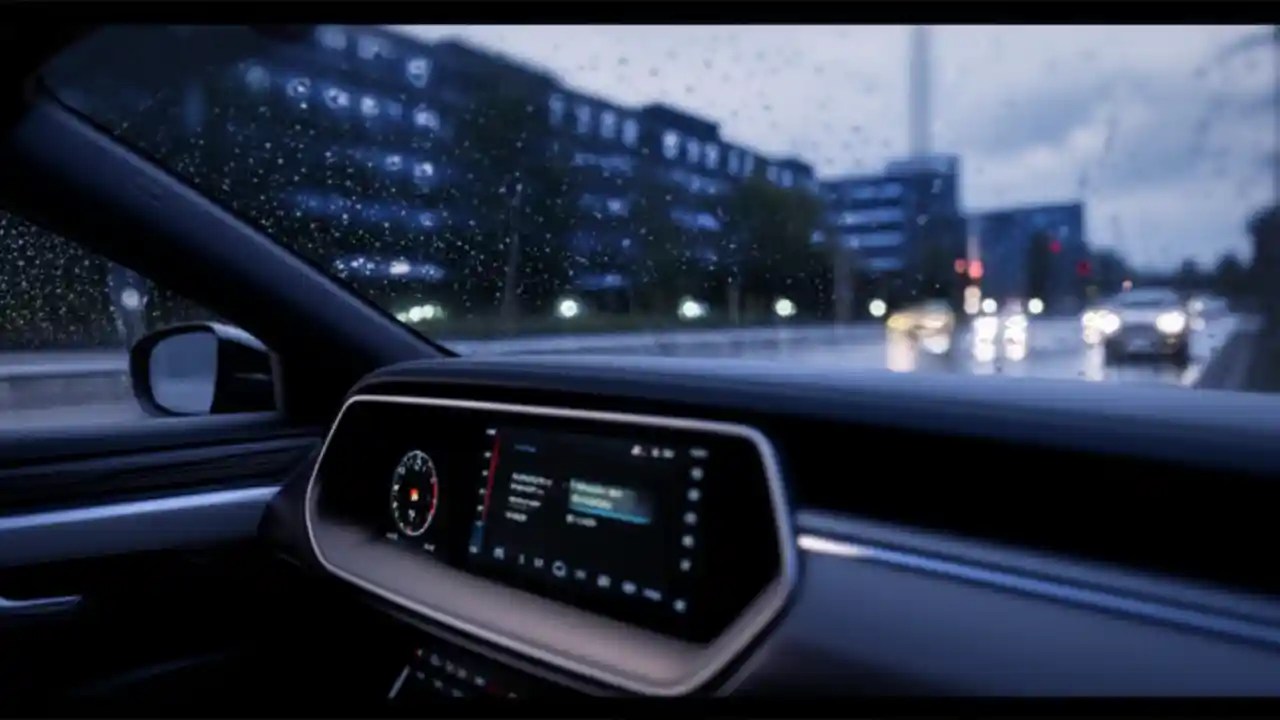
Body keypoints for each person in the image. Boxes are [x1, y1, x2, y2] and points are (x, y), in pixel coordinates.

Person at [106, 262, 150, 349]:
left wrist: (143, 296)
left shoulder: (121, 273)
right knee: (129, 325)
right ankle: (131, 344)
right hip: (124, 302)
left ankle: (136, 344)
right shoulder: (118, 272)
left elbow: (141, 285)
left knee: (136, 325)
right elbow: (114, 287)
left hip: (134, 302)